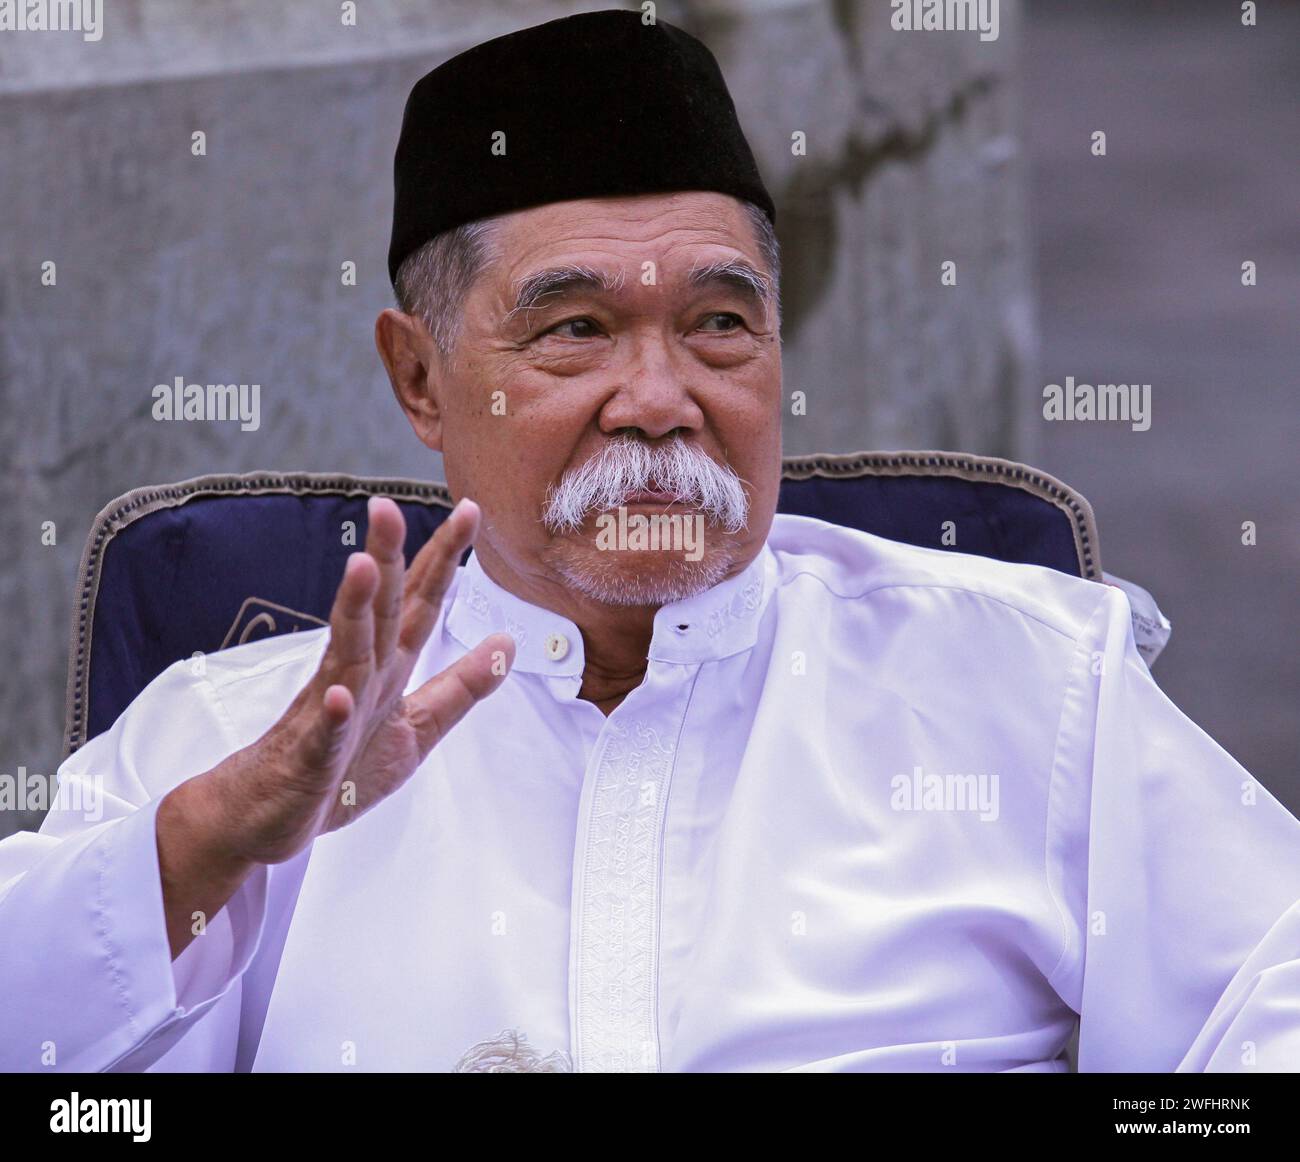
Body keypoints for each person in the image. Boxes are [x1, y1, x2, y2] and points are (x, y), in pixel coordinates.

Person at [2, 8, 1298, 1074]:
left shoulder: (1032, 687)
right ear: (420, 381)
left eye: (720, 324)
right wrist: (211, 838)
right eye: (574, 330)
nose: (664, 397)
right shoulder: (224, 745)